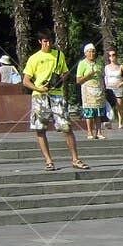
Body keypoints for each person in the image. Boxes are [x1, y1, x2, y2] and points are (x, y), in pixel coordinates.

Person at [21, 33, 87, 173]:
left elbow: (65, 73)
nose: (48, 44)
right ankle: (48, 160)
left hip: (57, 95)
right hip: (40, 96)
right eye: (45, 41)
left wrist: (59, 79)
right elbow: (26, 81)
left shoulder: (59, 55)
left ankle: (75, 159)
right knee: (40, 129)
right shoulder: (34, 58)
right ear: (40, 41)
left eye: (50, 41)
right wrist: (38, 88)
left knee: (66, 127)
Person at [75, 43, 105, 142]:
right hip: (88, 90)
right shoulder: (82, 63)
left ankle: (99, 132)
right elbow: (78, 80)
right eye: (89, 51)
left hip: (98, 89)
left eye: (93, 51)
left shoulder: (99, 63)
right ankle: (89, 131)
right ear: (85, 53)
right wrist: (88, 75)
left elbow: (102, 76)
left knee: (99, 111)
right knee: (90, 112)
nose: (91, 53)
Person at [103, 49, 123, 128]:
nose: (112, 57)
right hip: (109, 88)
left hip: (118, 87)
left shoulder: (121, 66)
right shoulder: (106, 67)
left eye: (113, 55)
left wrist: (121, 83)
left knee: (119, 106)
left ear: (116, 56)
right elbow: (105, 77)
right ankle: (109, 122)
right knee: (109, 106)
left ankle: (120, 123)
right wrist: (105, 86)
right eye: (110, 55)